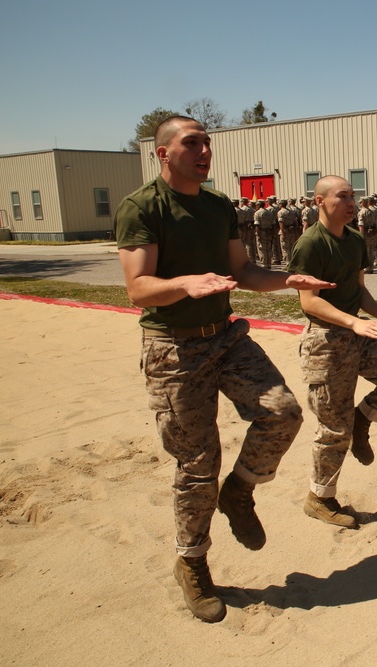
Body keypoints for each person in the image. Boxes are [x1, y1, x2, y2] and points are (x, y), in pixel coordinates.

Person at [113, 116, 334, 623]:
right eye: (192, 143)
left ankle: (239, 492)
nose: (204, 150)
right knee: (196, 465)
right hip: (173, 349)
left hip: (225, 337)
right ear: (162, 153)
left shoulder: (217, 206)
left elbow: (243, 272)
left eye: (207, 143)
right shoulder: (142, 206)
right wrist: (184, 284)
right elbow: (138, 287)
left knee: (283, 412)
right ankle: (192, 564)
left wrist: (285, 280)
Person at [286, 175, 377, 530]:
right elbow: (309, 301)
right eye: (342, 196)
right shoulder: (310, 244)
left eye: (352, 196)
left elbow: (359, 290)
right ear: (319, 202)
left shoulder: (356, 240)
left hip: (357, 331)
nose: (350, 202)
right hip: (326, 341)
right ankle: (320, 498)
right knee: (333, 427)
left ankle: (365, 418)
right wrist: (353, 323)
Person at [253, 199, 275, 269]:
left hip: (261, 232)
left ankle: (264, 264)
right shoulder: (269, 213)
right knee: (268, 247)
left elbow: (257, 225)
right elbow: (273, 224)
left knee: (262, 248)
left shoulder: (257, 213)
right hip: (269, 231)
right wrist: (273, 233)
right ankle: (269, 263)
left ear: (259, 205)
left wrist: (257, 234)